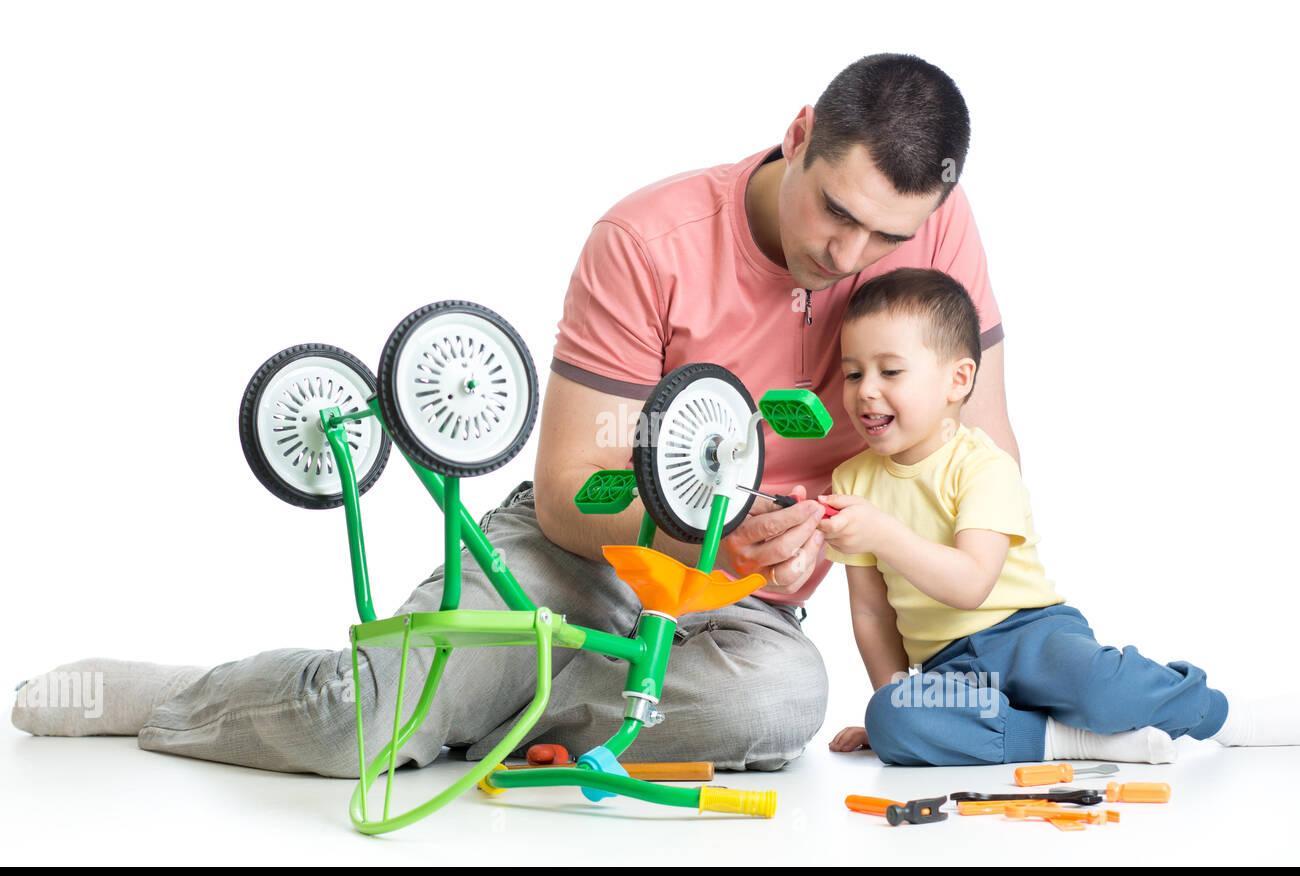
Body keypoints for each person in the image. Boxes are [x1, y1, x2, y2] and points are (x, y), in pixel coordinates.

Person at [12, 54, 1018, 775]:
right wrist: (711, 524)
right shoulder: (648, 239)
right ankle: (200, 697)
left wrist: (1002, 646)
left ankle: (487, 696)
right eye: (835, 213)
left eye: (883, 236)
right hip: (572, 554)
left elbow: (984, 449)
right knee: (360, 729)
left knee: (779, 701)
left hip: (731, 608)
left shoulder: (932, 231)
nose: (850, 257)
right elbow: (573, 488)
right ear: (799, 135)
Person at [821, 267, 1299, 765]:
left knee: (1101, 690)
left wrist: (881, 530)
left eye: (890, 371)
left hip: (1030, 637)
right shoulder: (853, 481)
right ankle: (1071, 742)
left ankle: (1225, 717)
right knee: (891, 718)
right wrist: (899, 696)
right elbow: (872, 613)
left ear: (958, 379)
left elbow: (970, 585)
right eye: (853, 373)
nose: (865, 391)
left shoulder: (983, 466)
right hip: (952, 672)